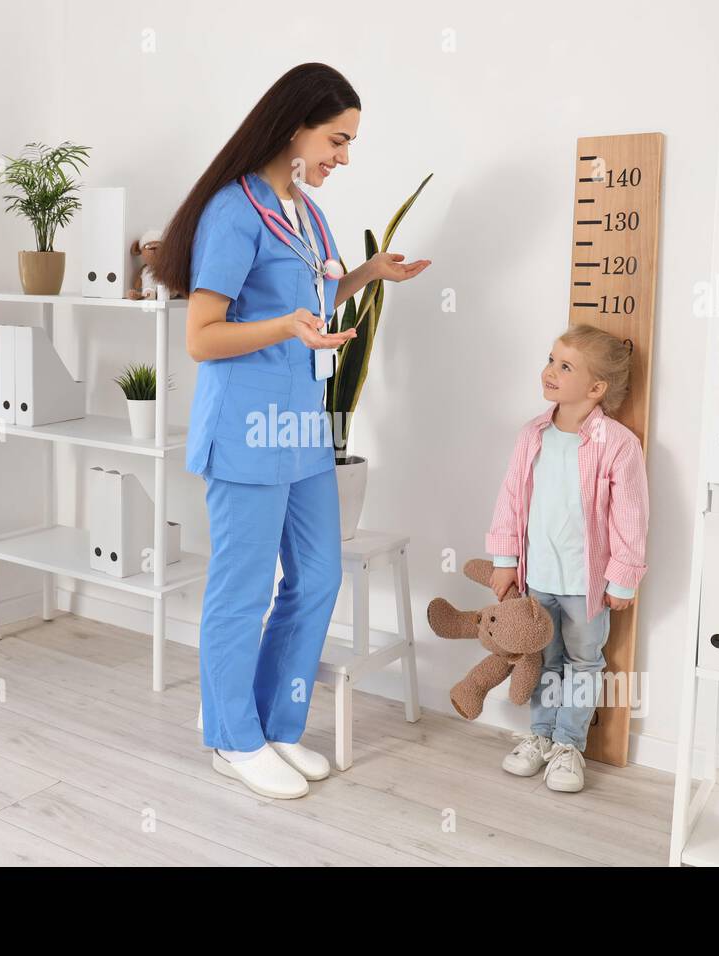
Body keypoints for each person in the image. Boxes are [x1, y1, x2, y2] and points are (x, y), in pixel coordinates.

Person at [153, 63, 430, 800]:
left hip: (302, 425)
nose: (344, 156)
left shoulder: (306, 210)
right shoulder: (231, 211)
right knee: (242, 589)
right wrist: (284, 328)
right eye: (337, 140)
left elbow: (312, 290)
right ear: (295, 126)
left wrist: (367, 273)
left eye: (348, 144)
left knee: (318, 575)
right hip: (246, 426)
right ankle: (232, 738)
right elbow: (203, 337)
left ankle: (278, 726)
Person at [485, 324, 649, 793]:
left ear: (596, 388)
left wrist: (622, 579)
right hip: (538, 577)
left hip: (585, 583)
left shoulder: (617, 444)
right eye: (551, 359)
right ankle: (539, 736)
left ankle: (568, 745)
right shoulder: (532, 434)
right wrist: (503, 558)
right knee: (542, 658)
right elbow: (511, 498)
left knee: (583, 662)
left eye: (565, 366)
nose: (550, 371)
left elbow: (631, 515)